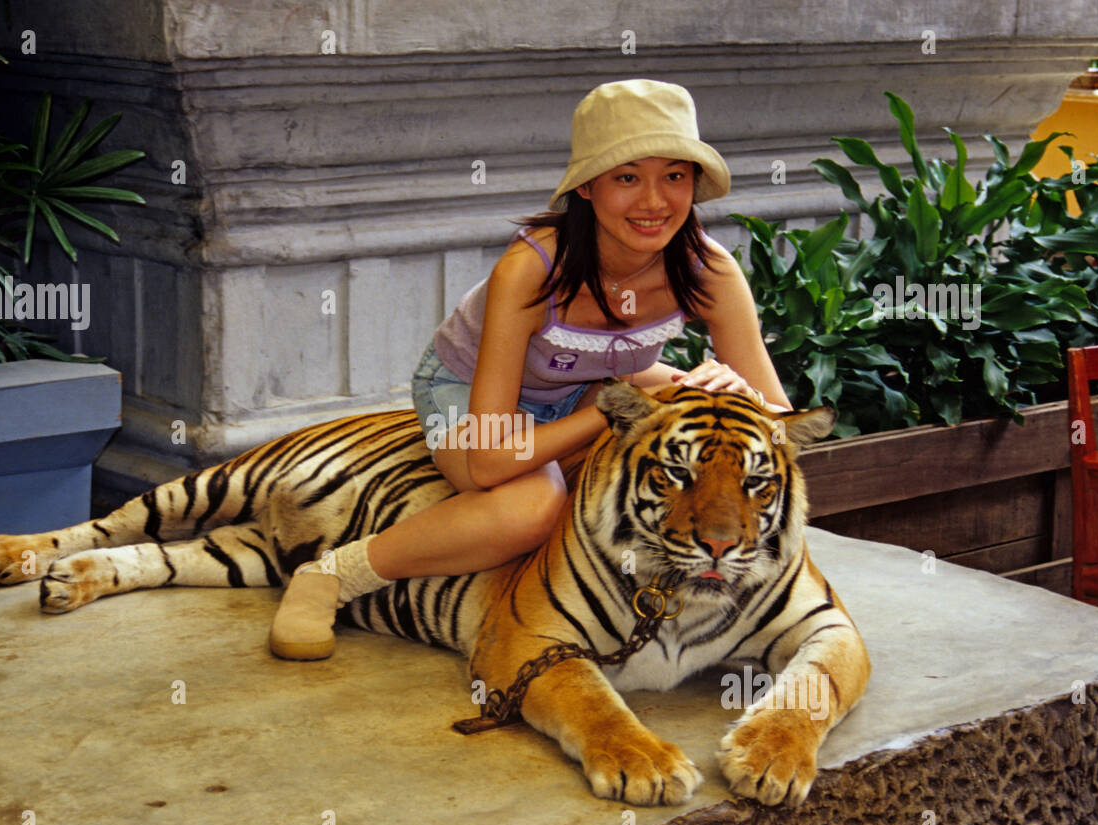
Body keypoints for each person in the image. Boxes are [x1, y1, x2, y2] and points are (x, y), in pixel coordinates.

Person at [268, 78, 792, 660]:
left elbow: (782, 422)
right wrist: (607, 415)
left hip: (606, 385)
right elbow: (489, 460)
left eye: (675, 175)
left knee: (685, 401)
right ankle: (333, 576)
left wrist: (740, 394)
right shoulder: (531, 267)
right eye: (626, 177)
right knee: (528, 509)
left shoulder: (707, 269)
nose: (654, 201)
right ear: (587, 187)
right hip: (473, 391)